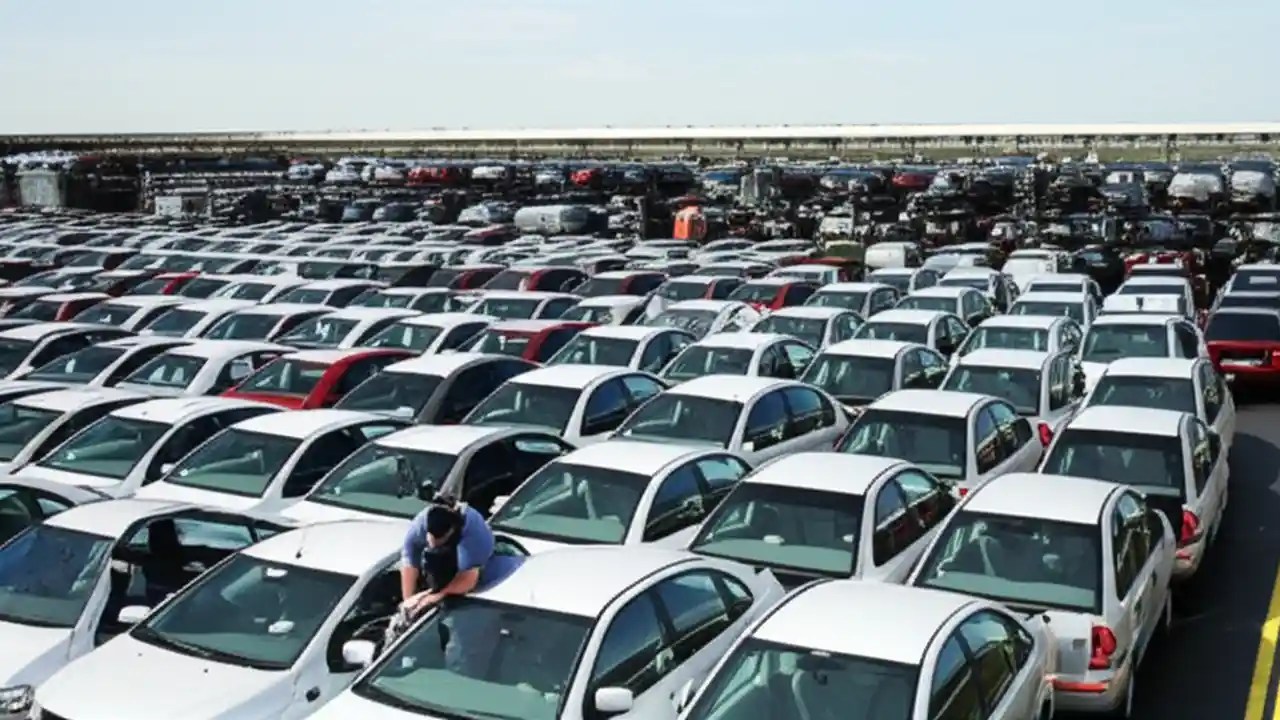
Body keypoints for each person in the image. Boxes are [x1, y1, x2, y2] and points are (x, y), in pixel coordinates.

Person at [399, 495, 496, 618]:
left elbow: (468, 579)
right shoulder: (420, 525)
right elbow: (409, 563)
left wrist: (436, 596)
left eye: (440, 542)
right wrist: (409, 602)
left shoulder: (476, 536)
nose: (434, 544)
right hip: (439, 564)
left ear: (452, 530)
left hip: (473, 573)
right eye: (431, 541)